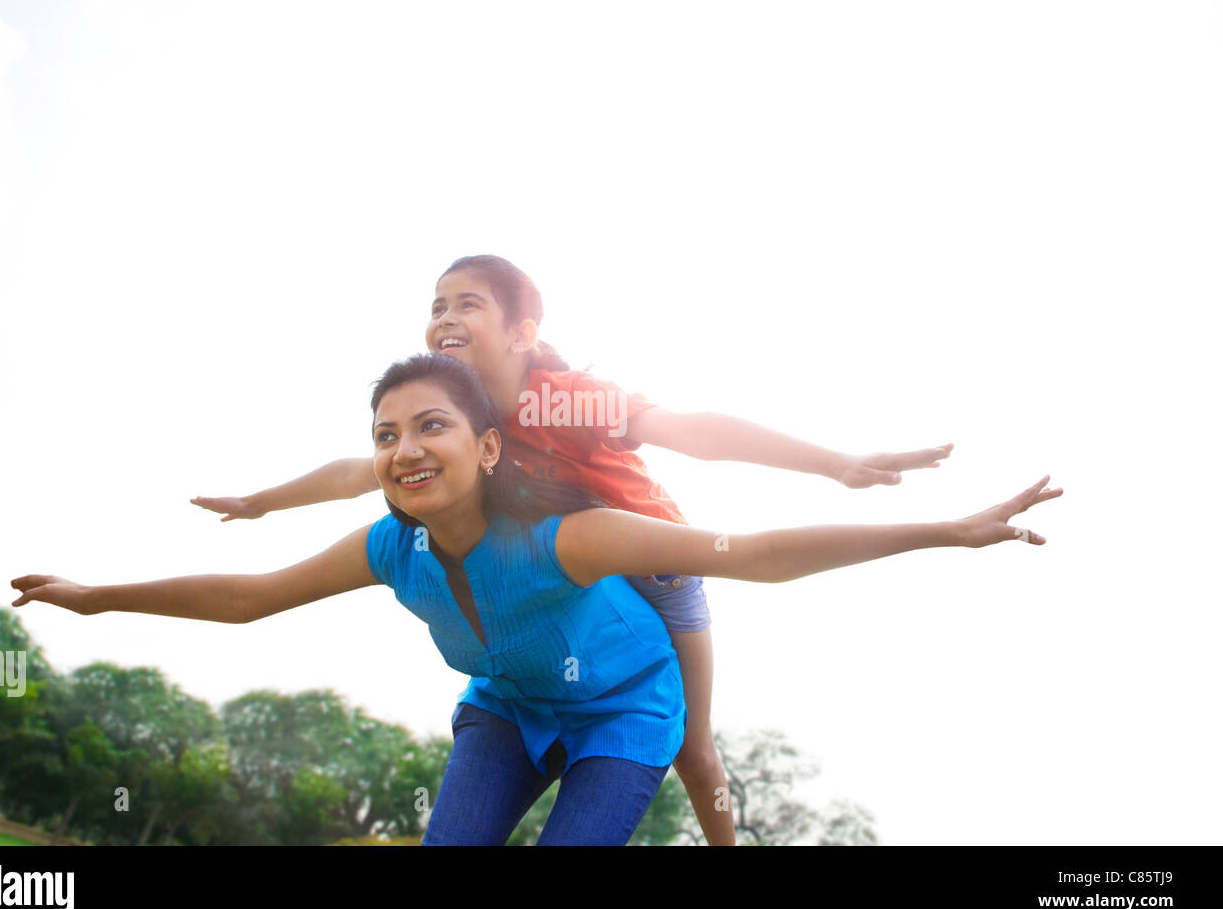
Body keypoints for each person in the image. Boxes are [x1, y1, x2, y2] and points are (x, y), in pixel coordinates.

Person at [15, 353, 1061, 845]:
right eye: (384, 434)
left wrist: (948, 528)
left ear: (487, 444)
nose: (403, 447)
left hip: (623, 712)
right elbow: (249, 596)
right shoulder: (393, 546)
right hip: (508, 712)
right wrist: (95, 597)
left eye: (428, 424)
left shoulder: (570, 536)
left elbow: (756, 552)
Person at [189, 254, 956, 845]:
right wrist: (261, 502)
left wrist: (834, 462)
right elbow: (357, 472)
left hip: (654, 567)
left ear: (522, 330)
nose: (444, 318)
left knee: (692, 749)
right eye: (436, 306)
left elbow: (696, 432)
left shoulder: (566, 397)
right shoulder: (452, 412)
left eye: (468, 304)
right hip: (561, 571)